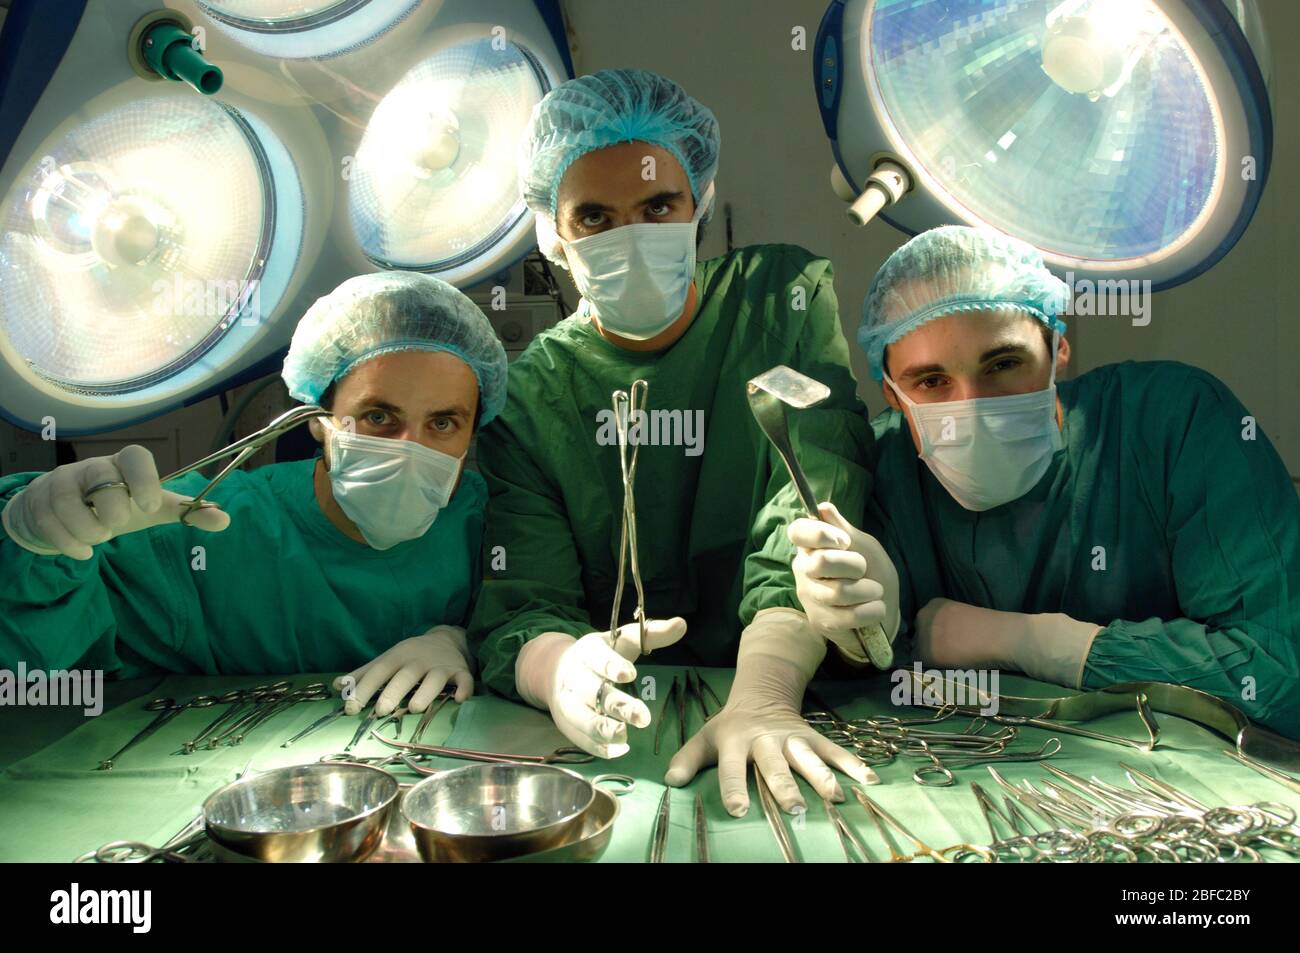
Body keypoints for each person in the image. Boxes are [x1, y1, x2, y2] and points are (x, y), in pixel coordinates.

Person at [469, 68, 880, 811]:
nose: (631, 235)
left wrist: (763, 690)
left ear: (702, 203)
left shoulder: (778, 304)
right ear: (550, 233)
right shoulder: (532, 393)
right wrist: (558, 668)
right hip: (624, 710)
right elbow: (523, 596)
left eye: (659, 205)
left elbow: (813, 500)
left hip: (790, 682)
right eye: (594, 216)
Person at [789, 225, 1300, 738]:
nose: (974, 406)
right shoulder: (880, 469)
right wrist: (866, 634)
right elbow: (847, 685)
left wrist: (1032, 642)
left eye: (1004, 364)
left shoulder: (1174, 422)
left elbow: (1278, 673)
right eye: (931, 381)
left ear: (1057, 346)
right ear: (894, 394)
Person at [0, 271, 509, 716]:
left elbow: (551, 628)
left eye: (443, 422)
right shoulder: (208, 528)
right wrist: (29, 541)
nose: (409, 447)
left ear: (473, 430)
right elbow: (28, 673)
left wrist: (469, 644)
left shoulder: (500, 524)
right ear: (317, 417)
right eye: (378, 417)